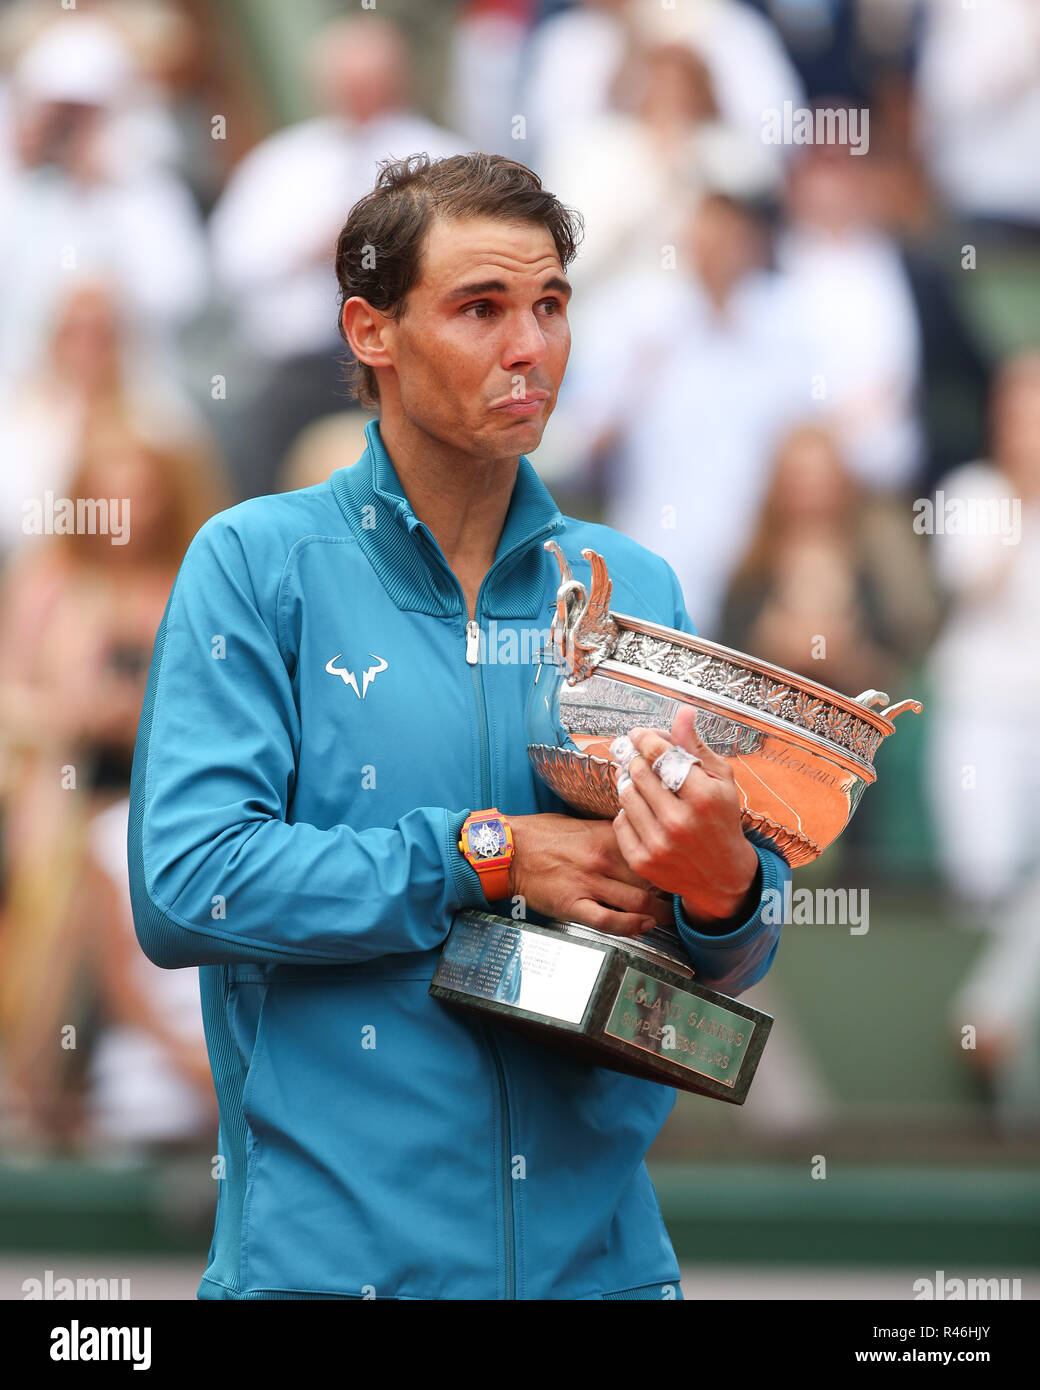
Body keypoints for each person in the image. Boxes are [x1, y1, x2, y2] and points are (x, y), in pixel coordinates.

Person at [128, 152, 791, 1301]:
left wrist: (722, 886)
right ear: (369, 331)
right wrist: (487, 853)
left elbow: (725, 951)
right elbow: (188, 882)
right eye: (479, 308)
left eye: (549, 307)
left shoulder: (633, 580)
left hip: (608, 1275)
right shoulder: (251, 561)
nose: (528, 347)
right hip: (325, 1273)